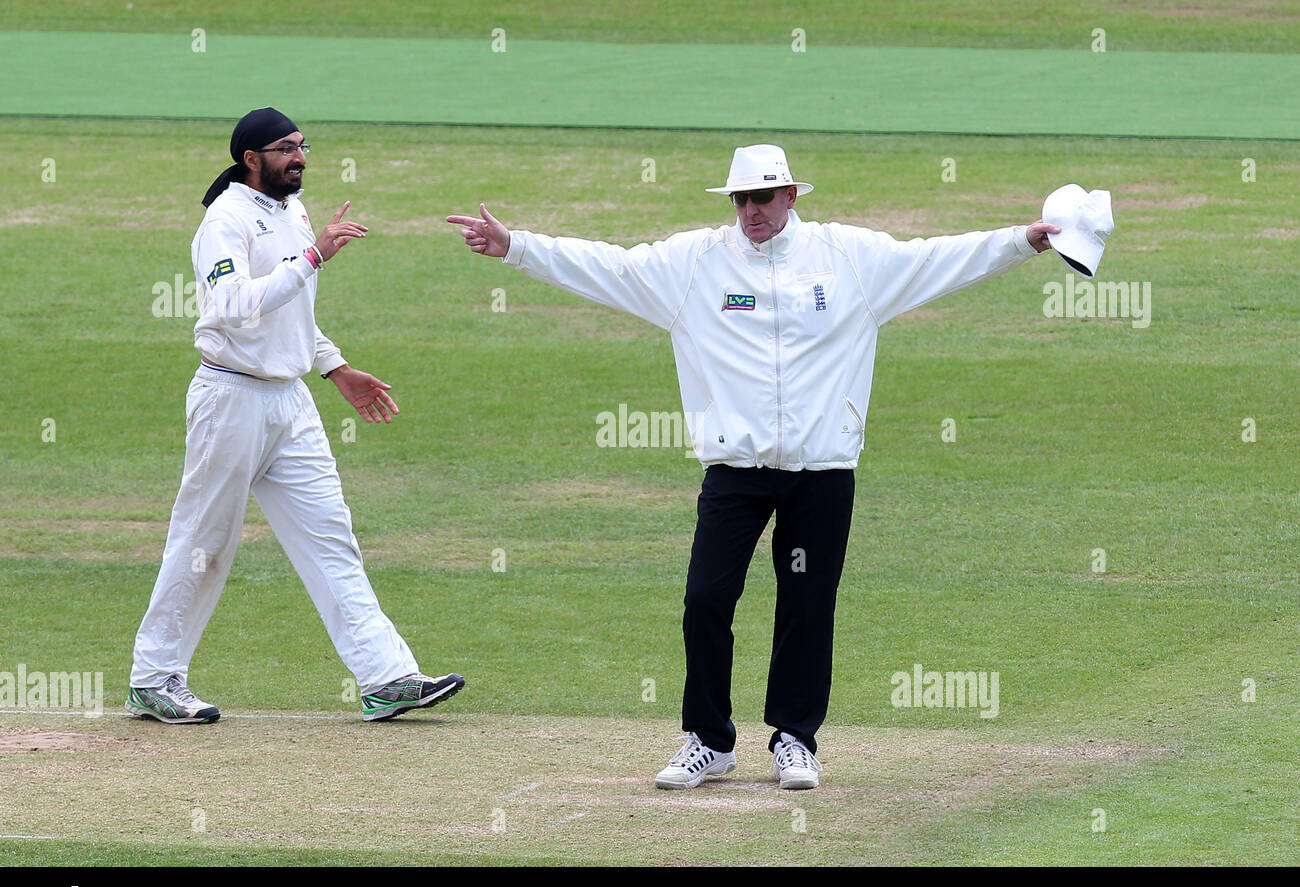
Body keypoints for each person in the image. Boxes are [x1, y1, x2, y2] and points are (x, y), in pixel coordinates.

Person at [448, 144, 1058, 789]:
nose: (750, 212)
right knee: (706, 599)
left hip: (820, 471)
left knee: (806, 603)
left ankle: (795, 739)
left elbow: (938, 258)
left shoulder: (850, 257)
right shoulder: (693, 264)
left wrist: (1025, 240)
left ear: (791, 196)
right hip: (735, 472)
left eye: (762, 198)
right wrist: (515, 245)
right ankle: (708, 741)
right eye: (740, 200)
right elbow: (608, 267)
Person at [128, 107, 464, 724]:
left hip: (290, 400)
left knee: (331, 536)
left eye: (303, 145)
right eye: (285, 148)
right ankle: (154, 678)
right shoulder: (225, 221)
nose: (299, 157)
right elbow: (233, 306)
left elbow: (292, 315)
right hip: (229, 398)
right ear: (251, 157)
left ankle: (387, 677)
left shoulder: (293, 211)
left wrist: (337, 368)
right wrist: (313, 258)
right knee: (206, 544)